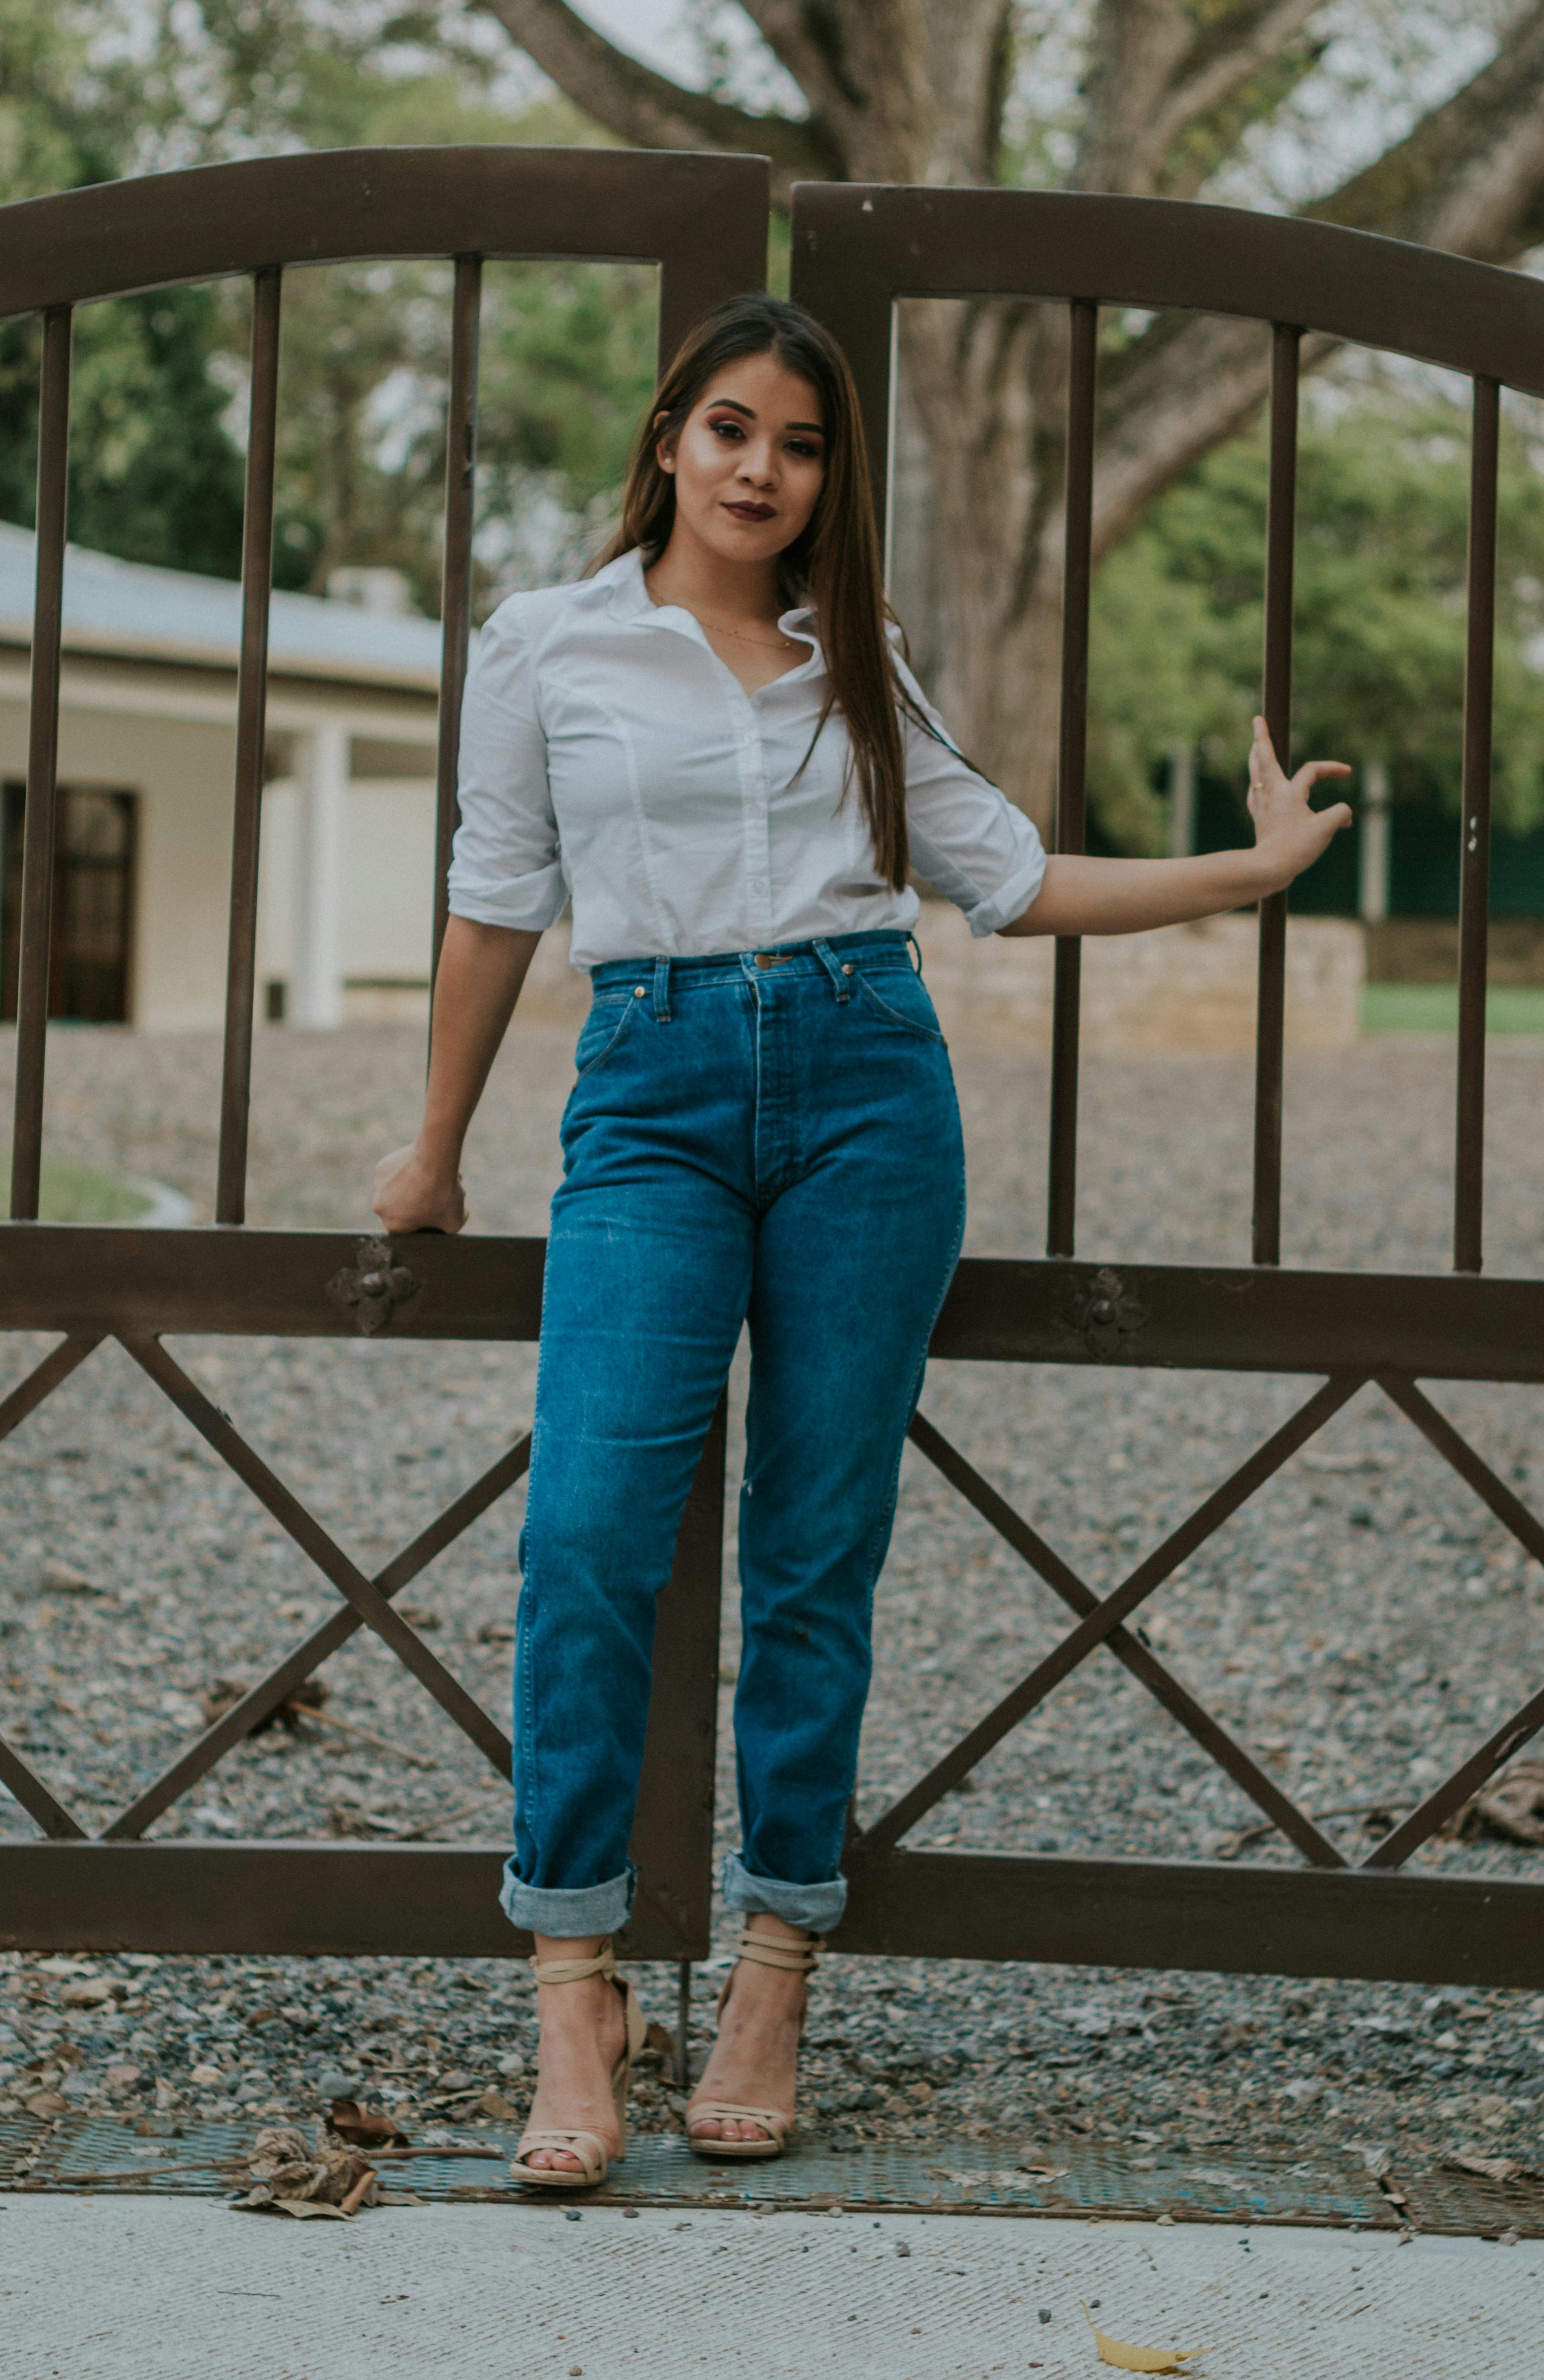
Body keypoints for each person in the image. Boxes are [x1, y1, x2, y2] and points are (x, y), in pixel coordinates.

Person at [372, 293, 1350, 2190]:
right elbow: (496, 899)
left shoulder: (857, 661)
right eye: (730, 428)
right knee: (588, 1529)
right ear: (668, 437)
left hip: (863, 1090)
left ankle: (769, 1961)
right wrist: (428, 1150)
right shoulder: (547, 642)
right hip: (648, 1092)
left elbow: (1001, 870)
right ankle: (573, 1981)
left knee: (813, 1549)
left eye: (800, 445)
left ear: (829, 478)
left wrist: (1245, 870)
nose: (760, 468)